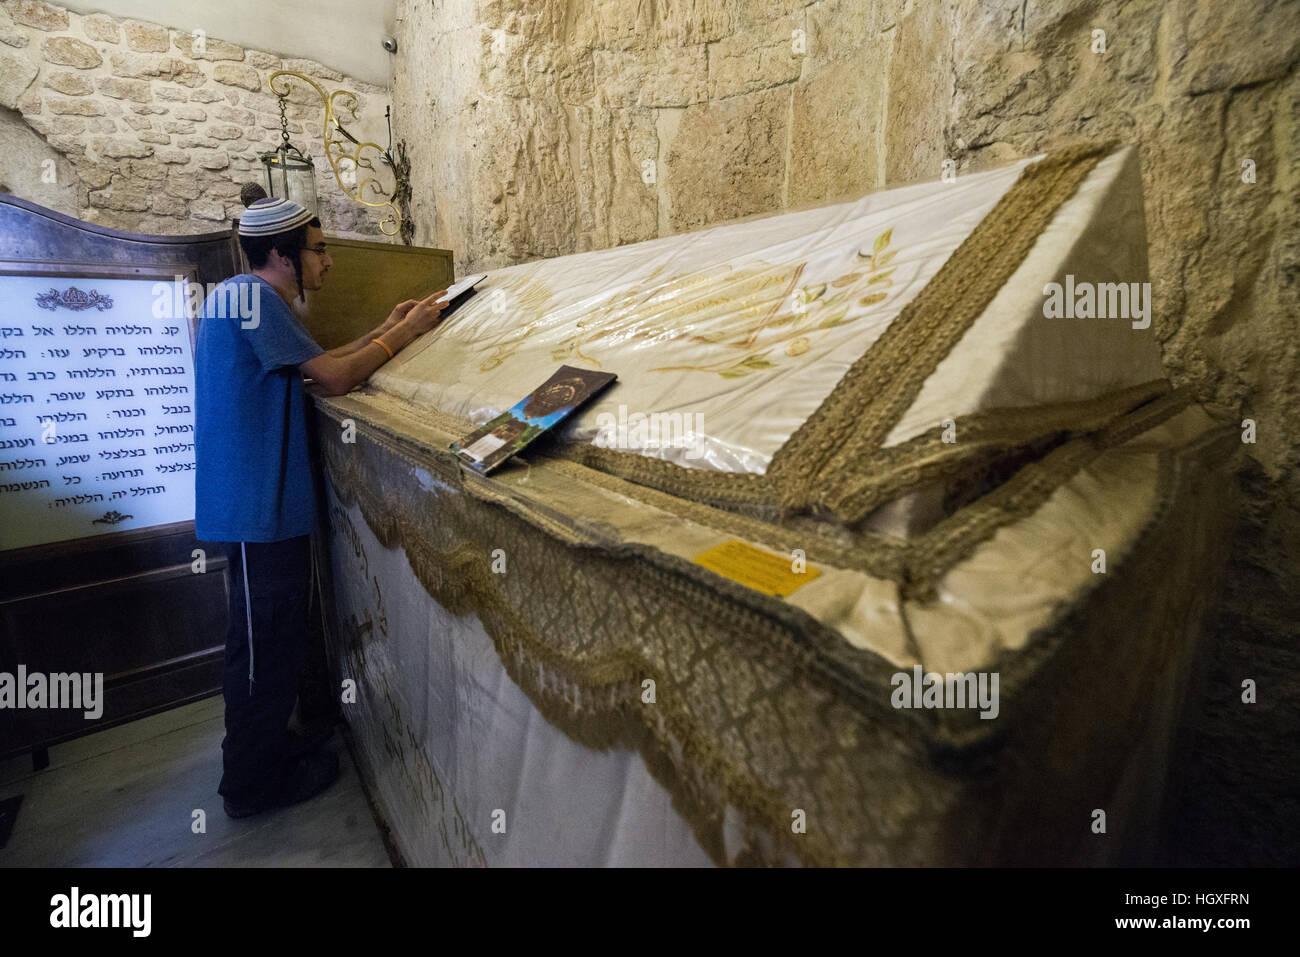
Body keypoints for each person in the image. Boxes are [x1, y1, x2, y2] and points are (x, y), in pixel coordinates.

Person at [194, 197, 446, 818]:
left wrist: (391, 325)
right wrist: (407, 334)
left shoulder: (244, 298)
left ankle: (270, 752)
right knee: (261, 645)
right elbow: (334, 379)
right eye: (319, 248)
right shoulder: (253, 300)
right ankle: (250, 787)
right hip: (257, 505)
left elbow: (320, 362)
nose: (327, 262)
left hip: (258, 503)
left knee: (269, 639)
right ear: (283, 256)